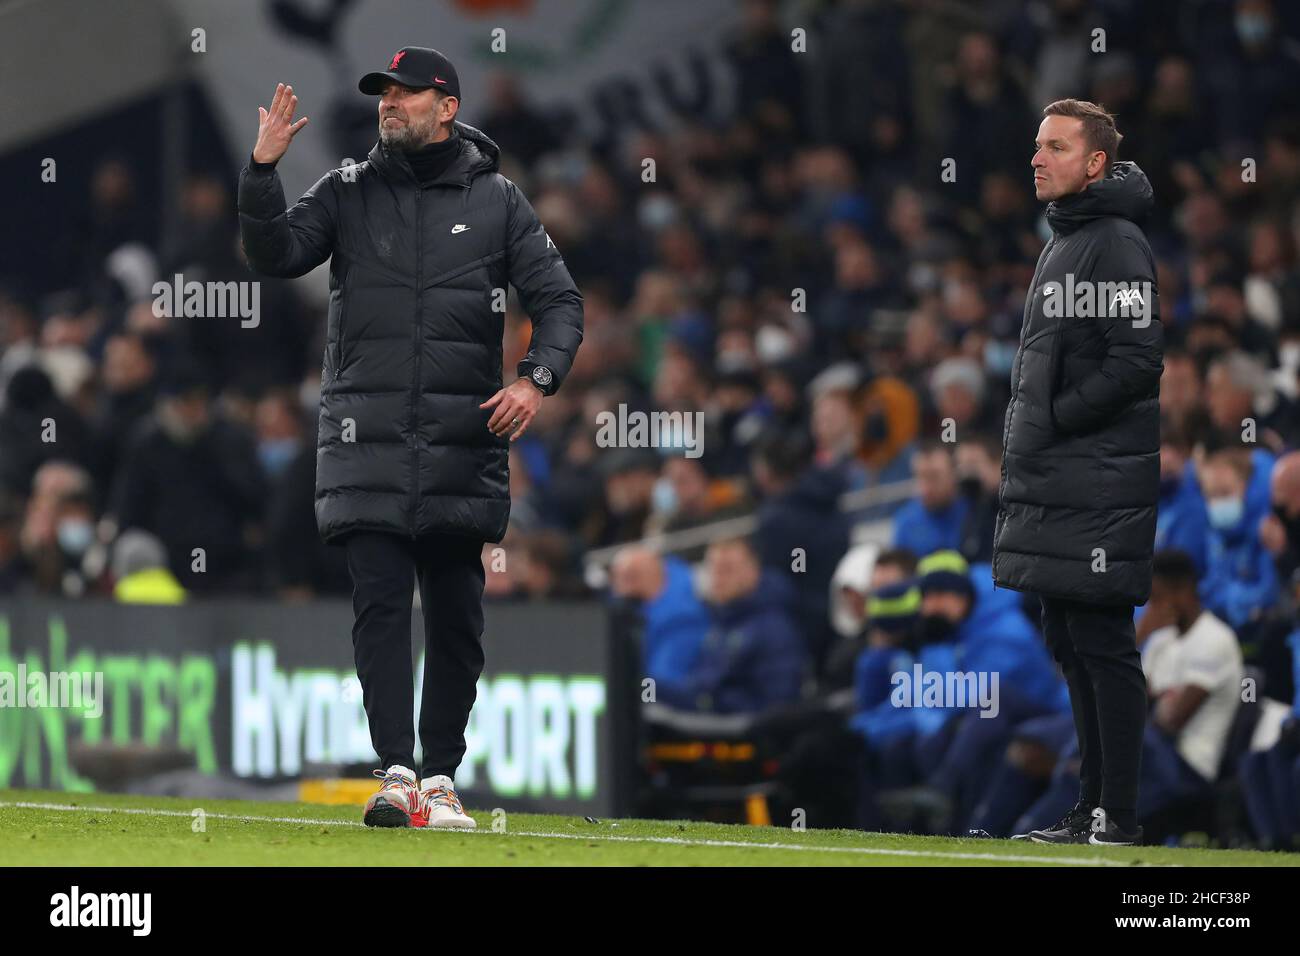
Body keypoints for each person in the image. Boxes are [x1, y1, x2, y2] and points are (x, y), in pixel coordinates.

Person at [237, 47, 583, 828]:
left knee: (458, 619)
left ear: (447, 106)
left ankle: (441, 778)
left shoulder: (498, 201)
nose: (388, 105)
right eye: (382, 95)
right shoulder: (346, 192)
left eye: (405, 93)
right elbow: (274, 254)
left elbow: (560, 301)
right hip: (368, 444)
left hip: (465, 441)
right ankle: (396, 773)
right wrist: (262, 172)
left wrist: (537, 379)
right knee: (383, 608)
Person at [992, 99, 1163, 845]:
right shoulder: (1067, 239)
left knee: (1101, 643)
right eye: (1037, 146)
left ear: (1096, 162)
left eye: (1055, 147)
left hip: (1095, 483)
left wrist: (1058, 416)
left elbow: (1136, 359)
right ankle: (1090, 806)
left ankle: (1117, 815)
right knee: (1069, 638)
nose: (1037, 158)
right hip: (1060, 481)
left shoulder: (1117, 242)